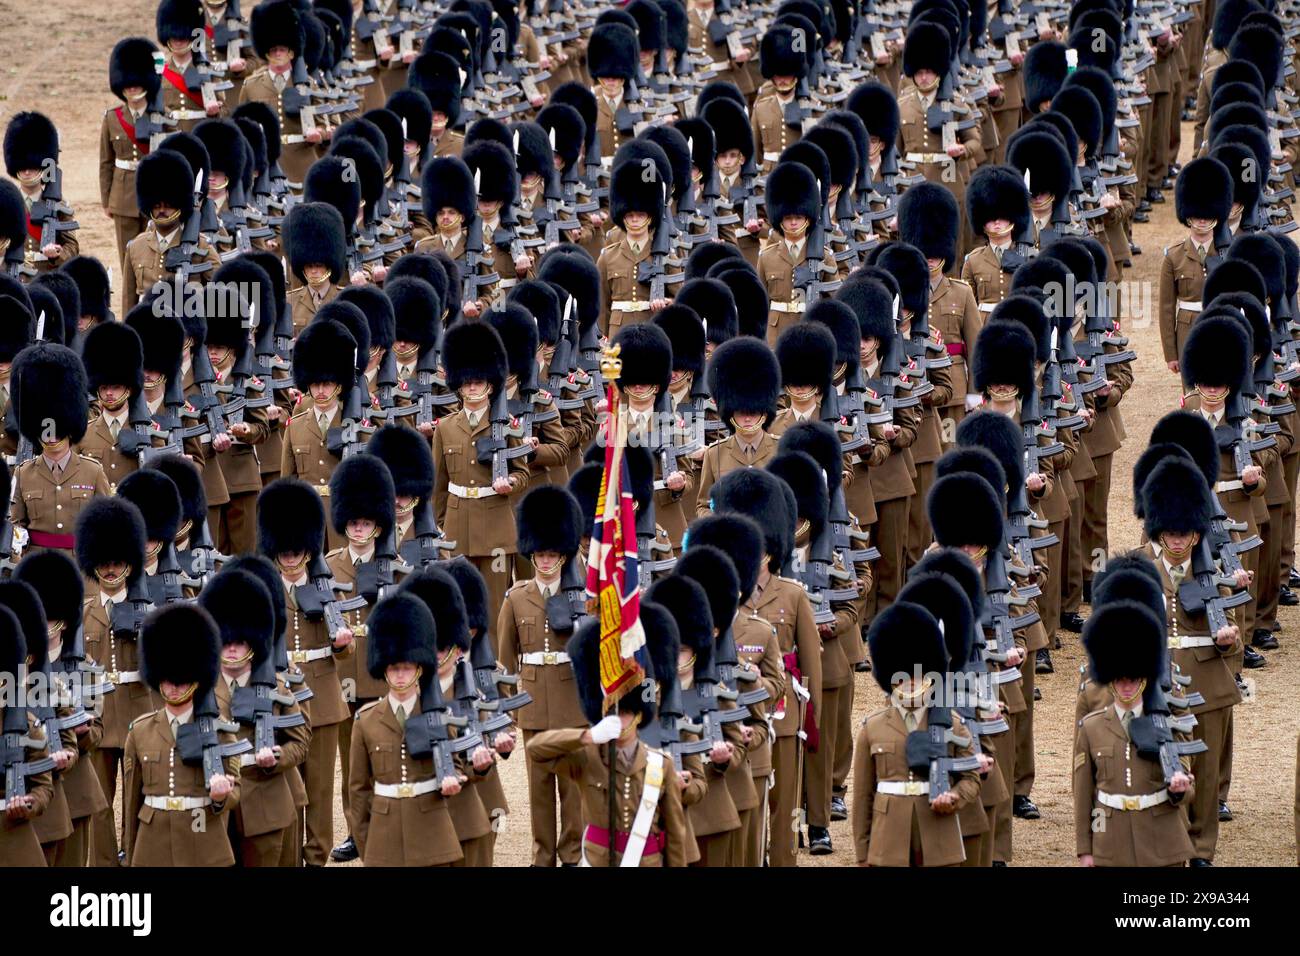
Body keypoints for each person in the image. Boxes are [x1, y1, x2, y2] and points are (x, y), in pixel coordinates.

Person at [1137, 454, 1242, 867]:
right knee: (1163, 764)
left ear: (1197, 535)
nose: (1177, 541)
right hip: (1159, 680)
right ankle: (1171, 845)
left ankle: (1201, 850)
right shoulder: (1139, 567)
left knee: (1207, 768)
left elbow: (1232, 635)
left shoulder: (1211, 573)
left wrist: (1228, 638)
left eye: (1185, 534)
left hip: (1208, 681)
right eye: (1170, 534)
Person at [524, 608, 689, 867]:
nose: (620, 721)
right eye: (616, 713)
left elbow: (676, 837)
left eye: (626, 713)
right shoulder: (587, 758)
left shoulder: (661, 765)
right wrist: (587, 736)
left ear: (639, 715)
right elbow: (536, 749)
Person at [256, 477, 355, 867]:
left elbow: (348, 655)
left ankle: (315, 859)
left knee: (318, 788)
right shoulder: (262, 587)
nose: (291, 557)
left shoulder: (328, 584)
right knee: (287, 786)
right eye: (284, 550)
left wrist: (343, 645)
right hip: (278, 696)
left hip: (322, 696)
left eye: (298, 550)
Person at [498, 485, 589, 867]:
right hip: (533, 706)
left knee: (572, 791)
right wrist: (505, 716)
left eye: (553, 553)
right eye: (540, 553)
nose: (546, 560)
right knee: (538, 791)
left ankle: (571, 855)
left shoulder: (584, 595)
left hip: (572, 705)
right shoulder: (516, 597)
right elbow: (505, 662)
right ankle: (542, 857)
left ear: (564, 553)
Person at [851, 600, 981, 866]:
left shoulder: (952, 724)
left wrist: (955, 797)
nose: (911, 681)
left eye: (917, 674)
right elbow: (863, 799)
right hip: (888, 841)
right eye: (903, 676)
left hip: (938, 835)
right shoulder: (871, 728)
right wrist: (864, 855)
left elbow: (972, 777)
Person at [345, 591, 468, 866]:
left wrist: (453, 780)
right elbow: (359, 792)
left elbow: (456, 764)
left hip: (432, 833)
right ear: (384, 670)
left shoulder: (438, 714)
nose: (400, 675)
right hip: (383, 838)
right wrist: (366, 845)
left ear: (419, 669)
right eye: (394, 668)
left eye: (407, 668)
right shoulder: (365, 721)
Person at [200, 567, 310, 867]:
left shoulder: (276, 686)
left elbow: (300, 743)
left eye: (241, 640)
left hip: (265, 798)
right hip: (217, 805)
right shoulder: (200, 687)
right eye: (225, 639)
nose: (232, 647)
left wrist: (277, 756)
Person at [432, 319, 530, 645]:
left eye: (478, 382)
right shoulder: (445, 427)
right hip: (458, 526)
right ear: (458, 386)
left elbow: (522, 472)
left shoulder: (507, 425)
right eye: (467, 383)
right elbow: (439, 486)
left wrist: (510, 485)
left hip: (496, 525)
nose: (472, 388)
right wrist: (441, 527)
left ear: (490, 385)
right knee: (458, 604)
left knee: (493, 604)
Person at [122, 603, 240, 866]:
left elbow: (236, 790)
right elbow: (132, 805)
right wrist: (130, 855)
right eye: (167, 681)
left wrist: (222, 797)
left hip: (203, 841)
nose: (174, 689)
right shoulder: (140, 731)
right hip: (154, 844)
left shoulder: (220, 727)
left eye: (181, 681)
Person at [325, 453, 396, 863]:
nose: (358, 529)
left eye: (366, 523)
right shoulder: (329, 567)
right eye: (353, 523)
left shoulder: (394, 565)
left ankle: (382, 831)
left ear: (378, 525)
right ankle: (355, 831)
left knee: (382, 760)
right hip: (340, 675)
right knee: (350, 766)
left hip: (380, 674)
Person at [1160, 158, 1233, 372]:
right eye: (1197, 215)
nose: (1202, 220)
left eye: (1207, 215)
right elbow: (1166, 309)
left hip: (1221, 326)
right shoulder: (1173, 256)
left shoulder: (1228, 255)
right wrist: (1171, 354)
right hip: (1187, 330)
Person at [101, 38, 158, 274]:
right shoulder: (112, 118)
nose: (132, 88)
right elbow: (106, 162)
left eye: (136, 84)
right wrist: (107, 200)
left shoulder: (160, 116)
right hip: (123, 196)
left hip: (154, 193)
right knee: (127, 258)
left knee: (153, 257)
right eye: (128, 85)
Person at [4, 111, 79, 276]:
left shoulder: (59, 205)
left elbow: (72, 249)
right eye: (22, 167)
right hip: (14, 278)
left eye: (32, 166)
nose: (27, 172)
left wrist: (58, 254)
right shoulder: (5, 203)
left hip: (48, 278)